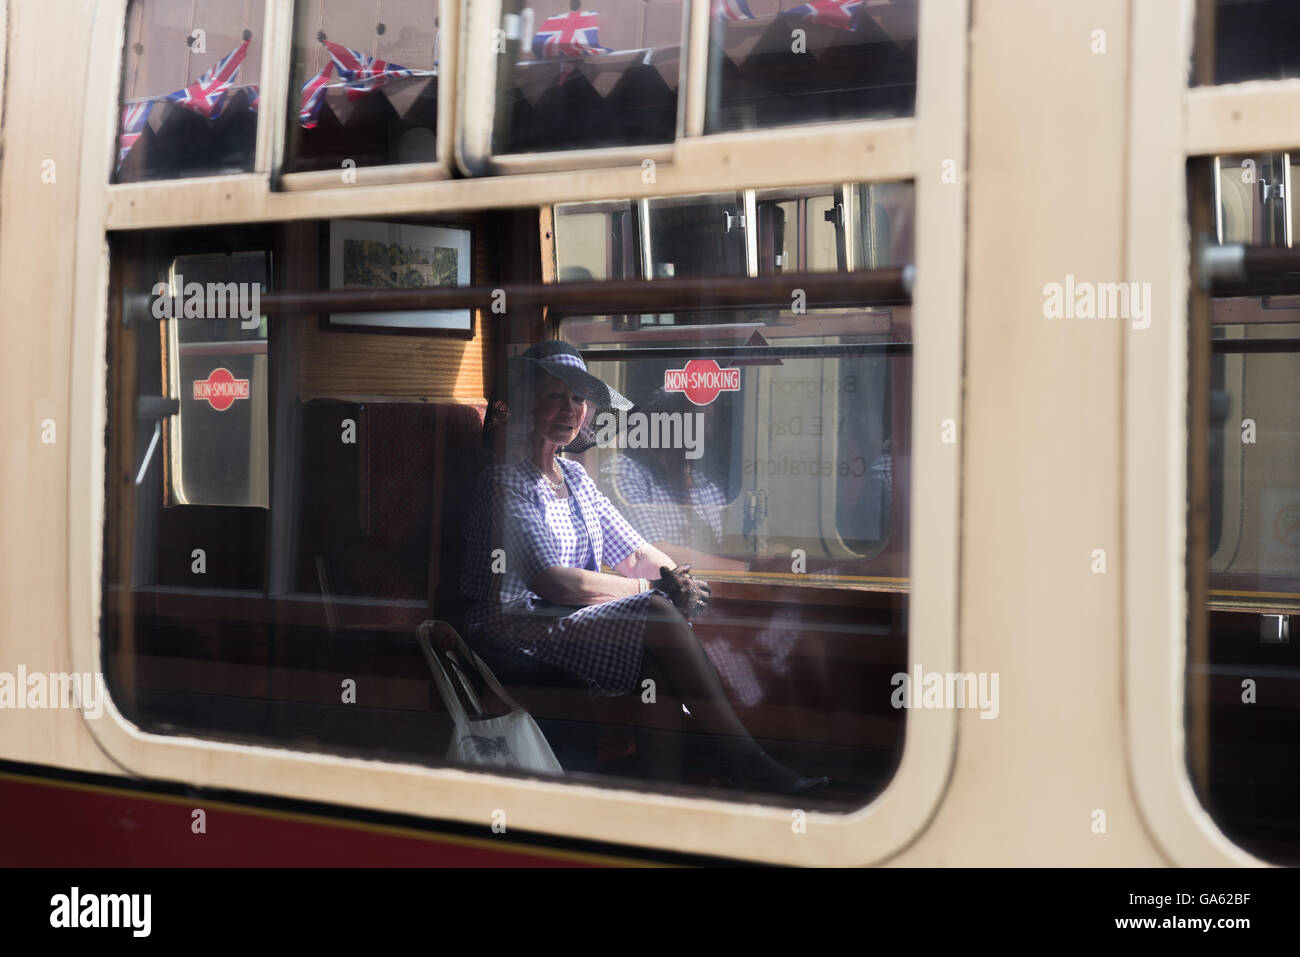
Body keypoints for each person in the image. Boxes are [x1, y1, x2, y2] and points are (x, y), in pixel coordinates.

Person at [460, 340, 827, 794]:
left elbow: (634, 553)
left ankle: (663, 798)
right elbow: (553, 582)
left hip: (560, 620)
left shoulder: (573, 475)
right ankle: (746, 761)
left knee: (656, 662)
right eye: (555, 396)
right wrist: (653, 592)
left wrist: (677, 577)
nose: (570, 409)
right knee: (653, 610)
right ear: (524, 402)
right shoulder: (504, 480)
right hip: (511, 628)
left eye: (578, 398)